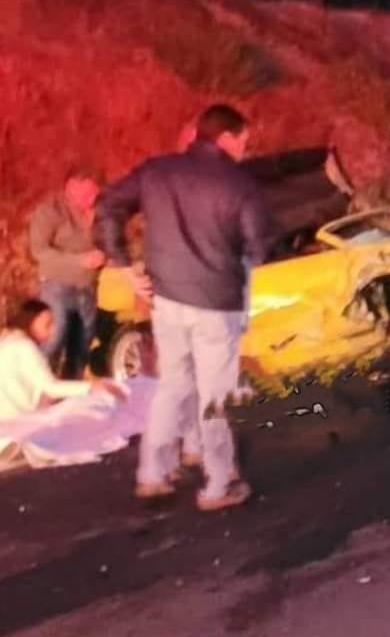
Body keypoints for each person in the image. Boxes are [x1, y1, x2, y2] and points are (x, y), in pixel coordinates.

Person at [95, 104, 277, 511]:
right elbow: (260, 246)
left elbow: (108, 205)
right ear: (227, 137)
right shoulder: (239, 184)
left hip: (167, 300)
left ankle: (152, 474)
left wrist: (123, 264)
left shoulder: (156, 171)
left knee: (171, 386)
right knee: (214, 395)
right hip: (217, 303)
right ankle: (216, 485)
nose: (246, 147)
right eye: (244, 139)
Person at [28, 167, 107, 378]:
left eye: (94, 193)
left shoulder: (98, 213)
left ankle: (70, 393)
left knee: (82, 343)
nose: (91, 198)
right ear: (70, 188)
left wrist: (103, 253)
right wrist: (79, 260)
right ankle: (35, 390)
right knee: (53, 338)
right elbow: (39, 250)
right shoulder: (50, 211)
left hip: (87, 287)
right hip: (56, 284)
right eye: (86, 193)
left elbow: (110, 242)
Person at [0, 299, 125, 421]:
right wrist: (92, 387)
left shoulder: (8, 342)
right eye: (48, 324)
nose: (53, 331)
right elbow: (51, 387)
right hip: (17, 428)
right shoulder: (24, 346)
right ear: (30, 321)